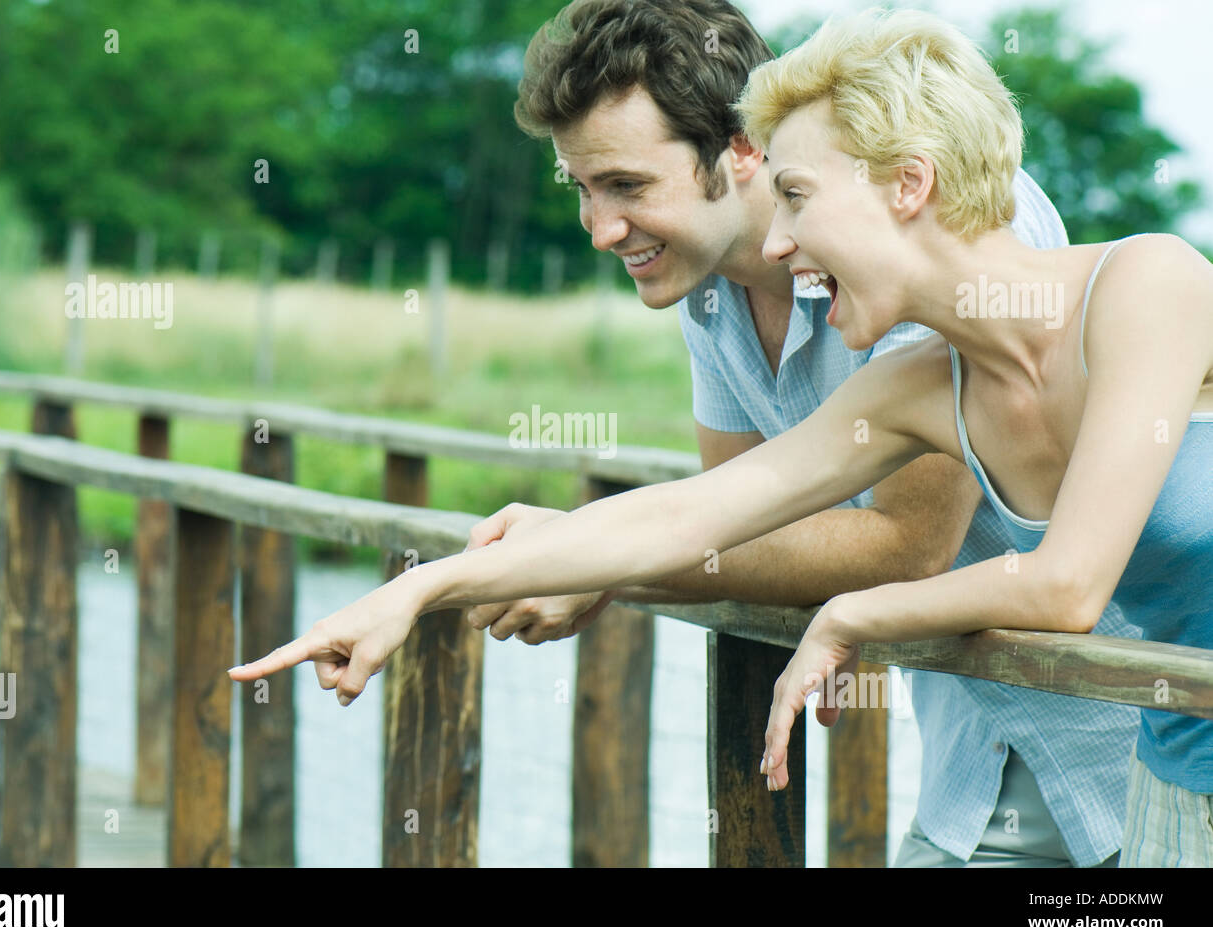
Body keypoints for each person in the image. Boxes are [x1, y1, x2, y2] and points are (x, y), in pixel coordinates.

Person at [231, 6, 1213, 865]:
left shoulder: (1146, 284)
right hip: (1155, 767)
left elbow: (1061, 583)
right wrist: (421, 590)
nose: (777, 245)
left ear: (906, 184)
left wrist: (847, 617)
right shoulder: (915, 384)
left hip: (1127, 748)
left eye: (793, 199)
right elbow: (701, 519)